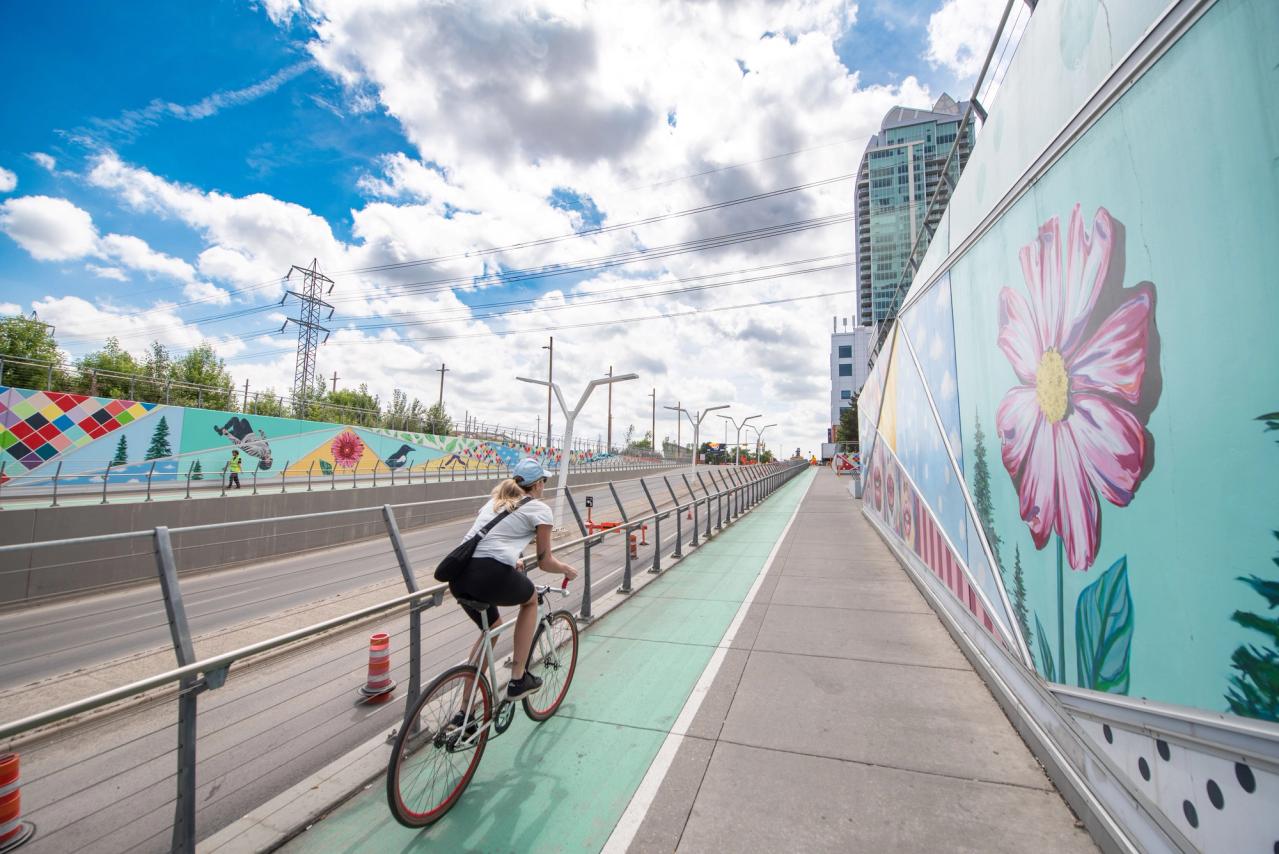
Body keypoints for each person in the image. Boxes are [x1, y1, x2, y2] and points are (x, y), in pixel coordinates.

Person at [451, 458, 577, 699]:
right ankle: (518, 678)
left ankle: (464, 712)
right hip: (489, 574)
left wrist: (513, 559)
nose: (544, 485)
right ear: (538, 484)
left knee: (492, 629)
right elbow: (544, 561)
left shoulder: (494, 502)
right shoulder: (540, 509)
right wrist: (566, 570)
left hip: (460, 576)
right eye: (544, 481)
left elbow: (492, 539)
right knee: (529, 600)